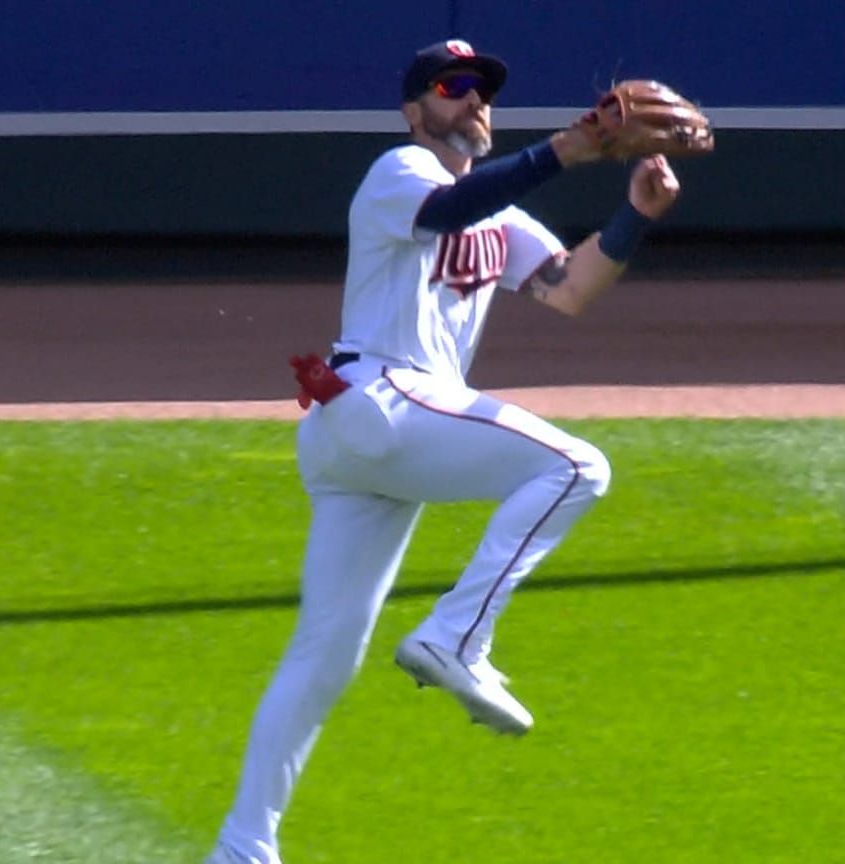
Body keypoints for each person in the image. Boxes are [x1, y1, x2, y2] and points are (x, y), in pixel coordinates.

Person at [205, 38, 681, 864]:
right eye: (451, 87)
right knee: (575, 467)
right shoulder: (399, 172)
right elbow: (448, 214)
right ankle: (458, 637)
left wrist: (634, 214)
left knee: (326, 656)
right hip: (387, 396)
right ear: (412, 108)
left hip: (368, 435)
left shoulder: (499, 210)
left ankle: (241, 848)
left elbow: (569, 289)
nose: (472, 101)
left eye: (482, 90)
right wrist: (572, 147)